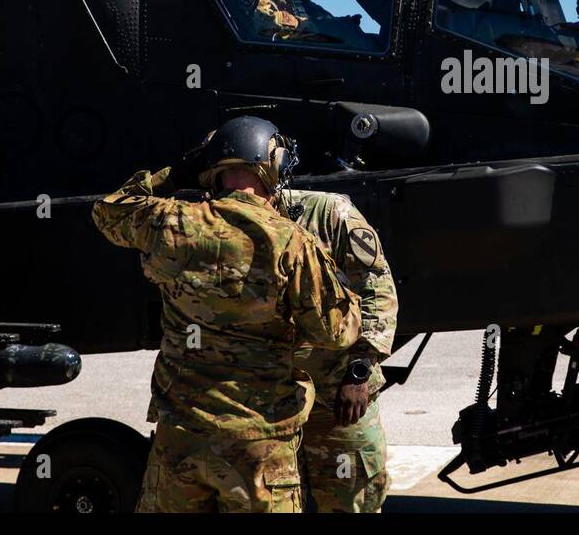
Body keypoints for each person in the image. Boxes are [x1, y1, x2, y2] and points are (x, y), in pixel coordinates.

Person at [91, 116, 360, 513]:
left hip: (181, 438)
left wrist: (178, 171)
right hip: (259, 447)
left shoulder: (172, 221)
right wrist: (338, 287)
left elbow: (108, 211)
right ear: (271, 167)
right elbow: (337, 333)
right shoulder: (292, 243)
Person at [286, 188, 398, 513]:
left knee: (351, 504)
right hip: (268, 400)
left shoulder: (327, 211)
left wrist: (359, 370)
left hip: (335, 397)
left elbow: (376, 287)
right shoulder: (222, 221)